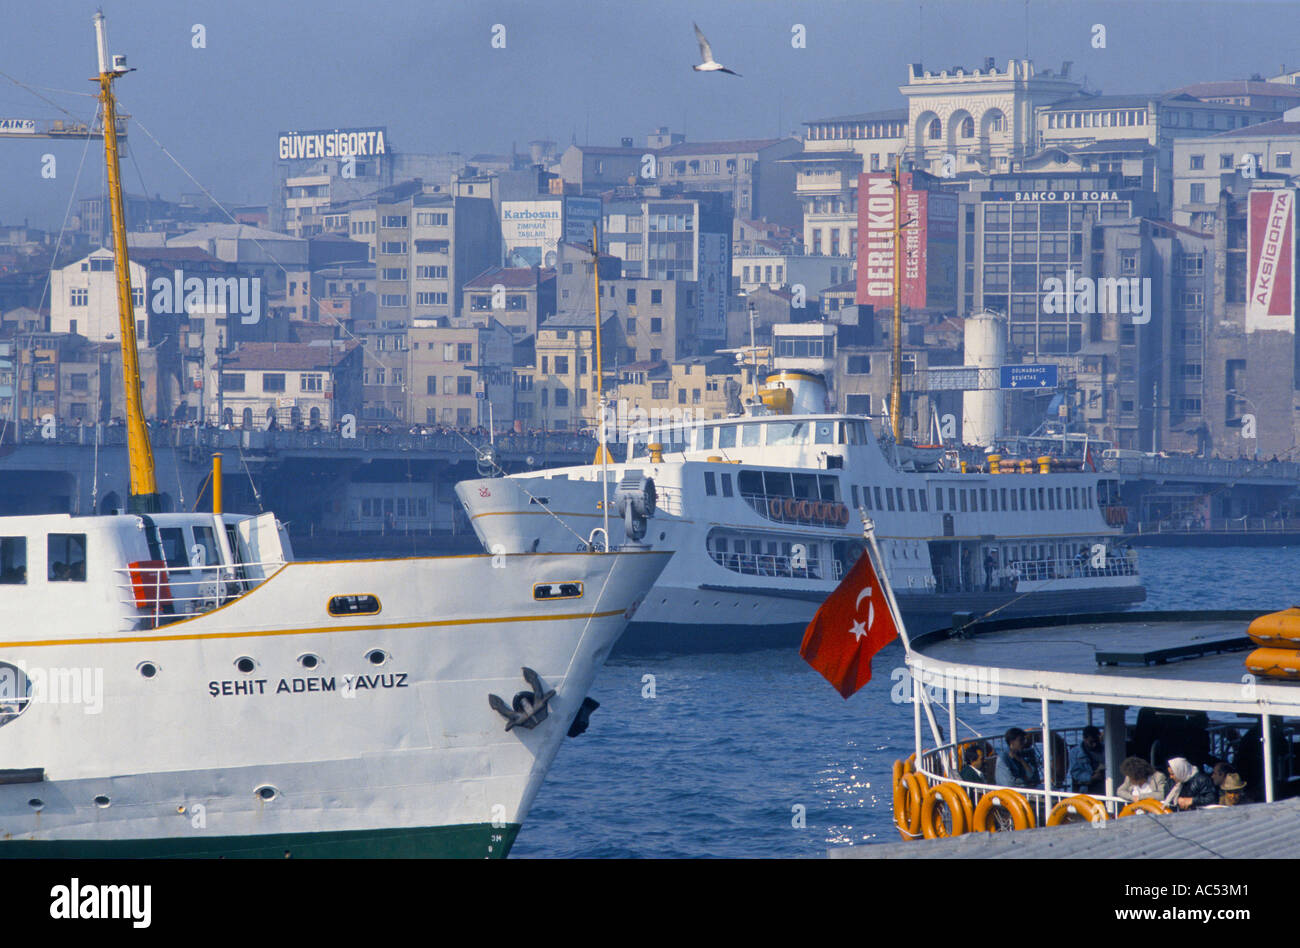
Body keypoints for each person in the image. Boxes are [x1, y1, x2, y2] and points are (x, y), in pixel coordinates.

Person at [1070, 726, 1106, 794]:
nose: (1094, 745)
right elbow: (1076, 773)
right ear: (1084, 739)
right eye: (1091, 742)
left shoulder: (1105, 749)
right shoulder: (1075, 752)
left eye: (1096, 741)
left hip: (1104, 782)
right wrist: (1091, 777)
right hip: (1086, 785)